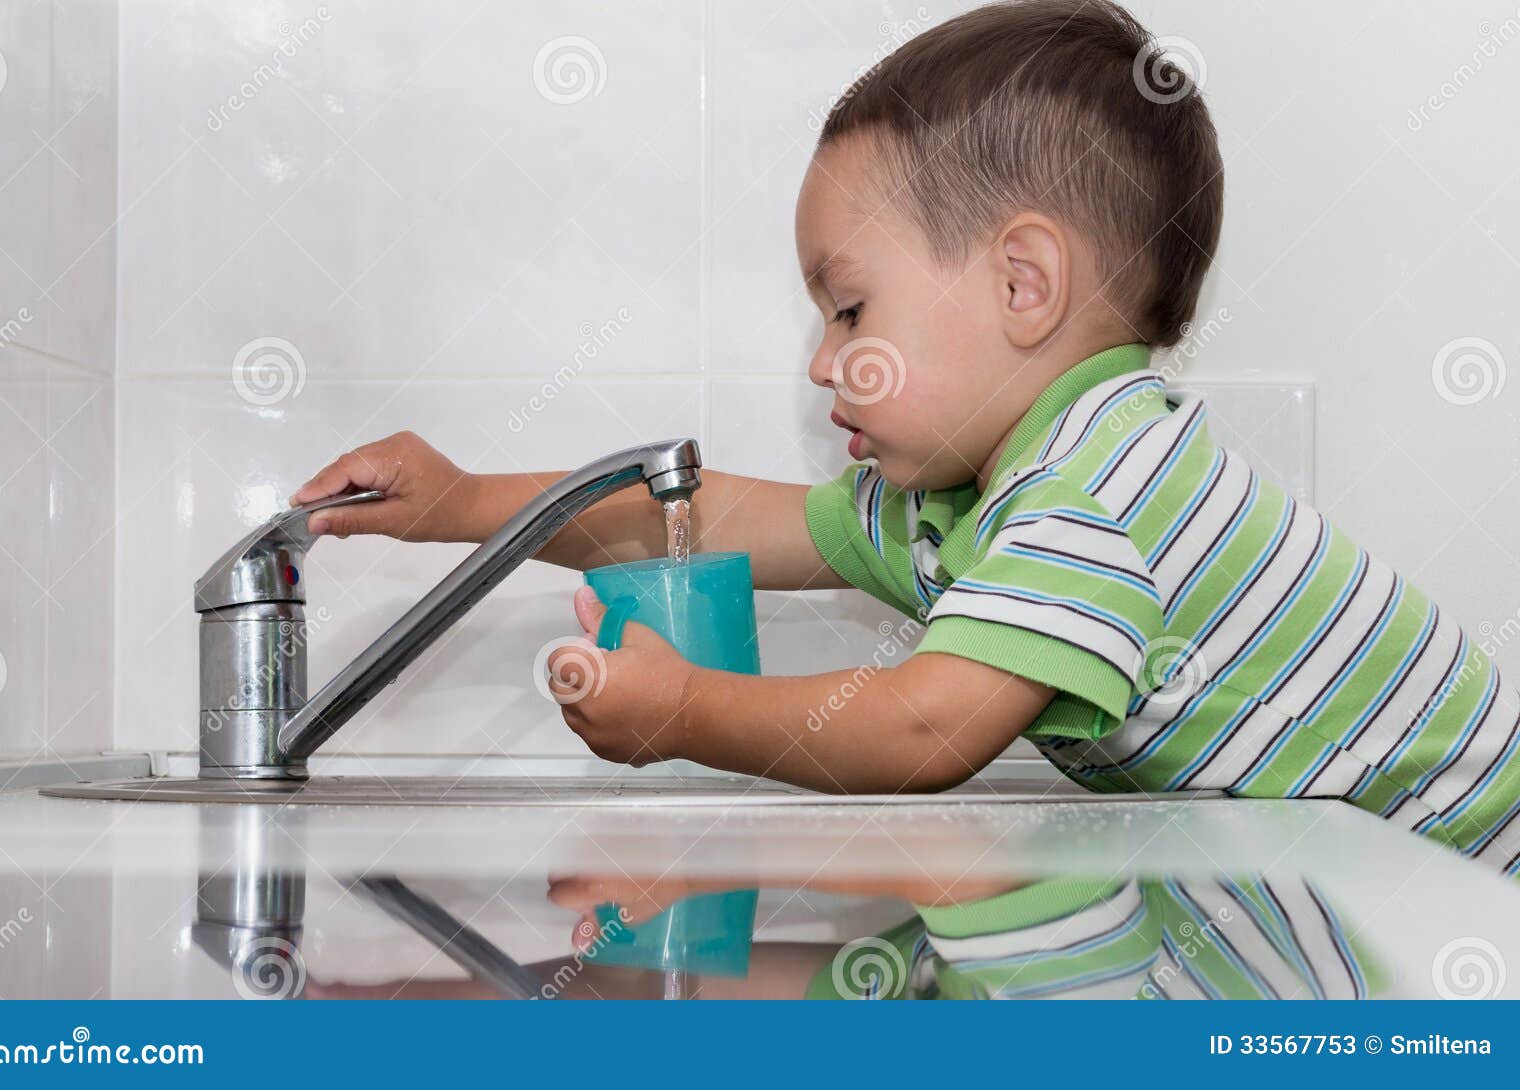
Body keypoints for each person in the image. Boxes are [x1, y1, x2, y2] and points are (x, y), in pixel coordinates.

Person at [291, 0, 1520, 876]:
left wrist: (686, 715)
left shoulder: (1091, 489)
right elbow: (716, 515)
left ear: (1021, 286)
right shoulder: (972, 495)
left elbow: (926, 727)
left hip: (1475, 887)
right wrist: (463, 502)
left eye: (850, 308)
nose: (823, 360)